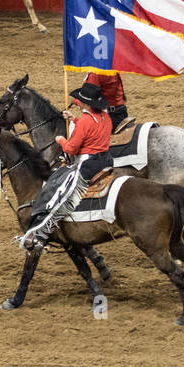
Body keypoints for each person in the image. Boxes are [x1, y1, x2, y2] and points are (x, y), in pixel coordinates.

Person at [16, 82, 114, 251]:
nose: (78, 101)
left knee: (56, 190)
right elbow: (92, 128)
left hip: (87, 164)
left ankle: (41, 231)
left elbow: (71, 149)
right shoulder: (105, 117)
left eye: (80, 100)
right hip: (106, 160)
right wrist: (73, 118)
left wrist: (60, 139)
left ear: (86, 104)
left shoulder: (85, 122)